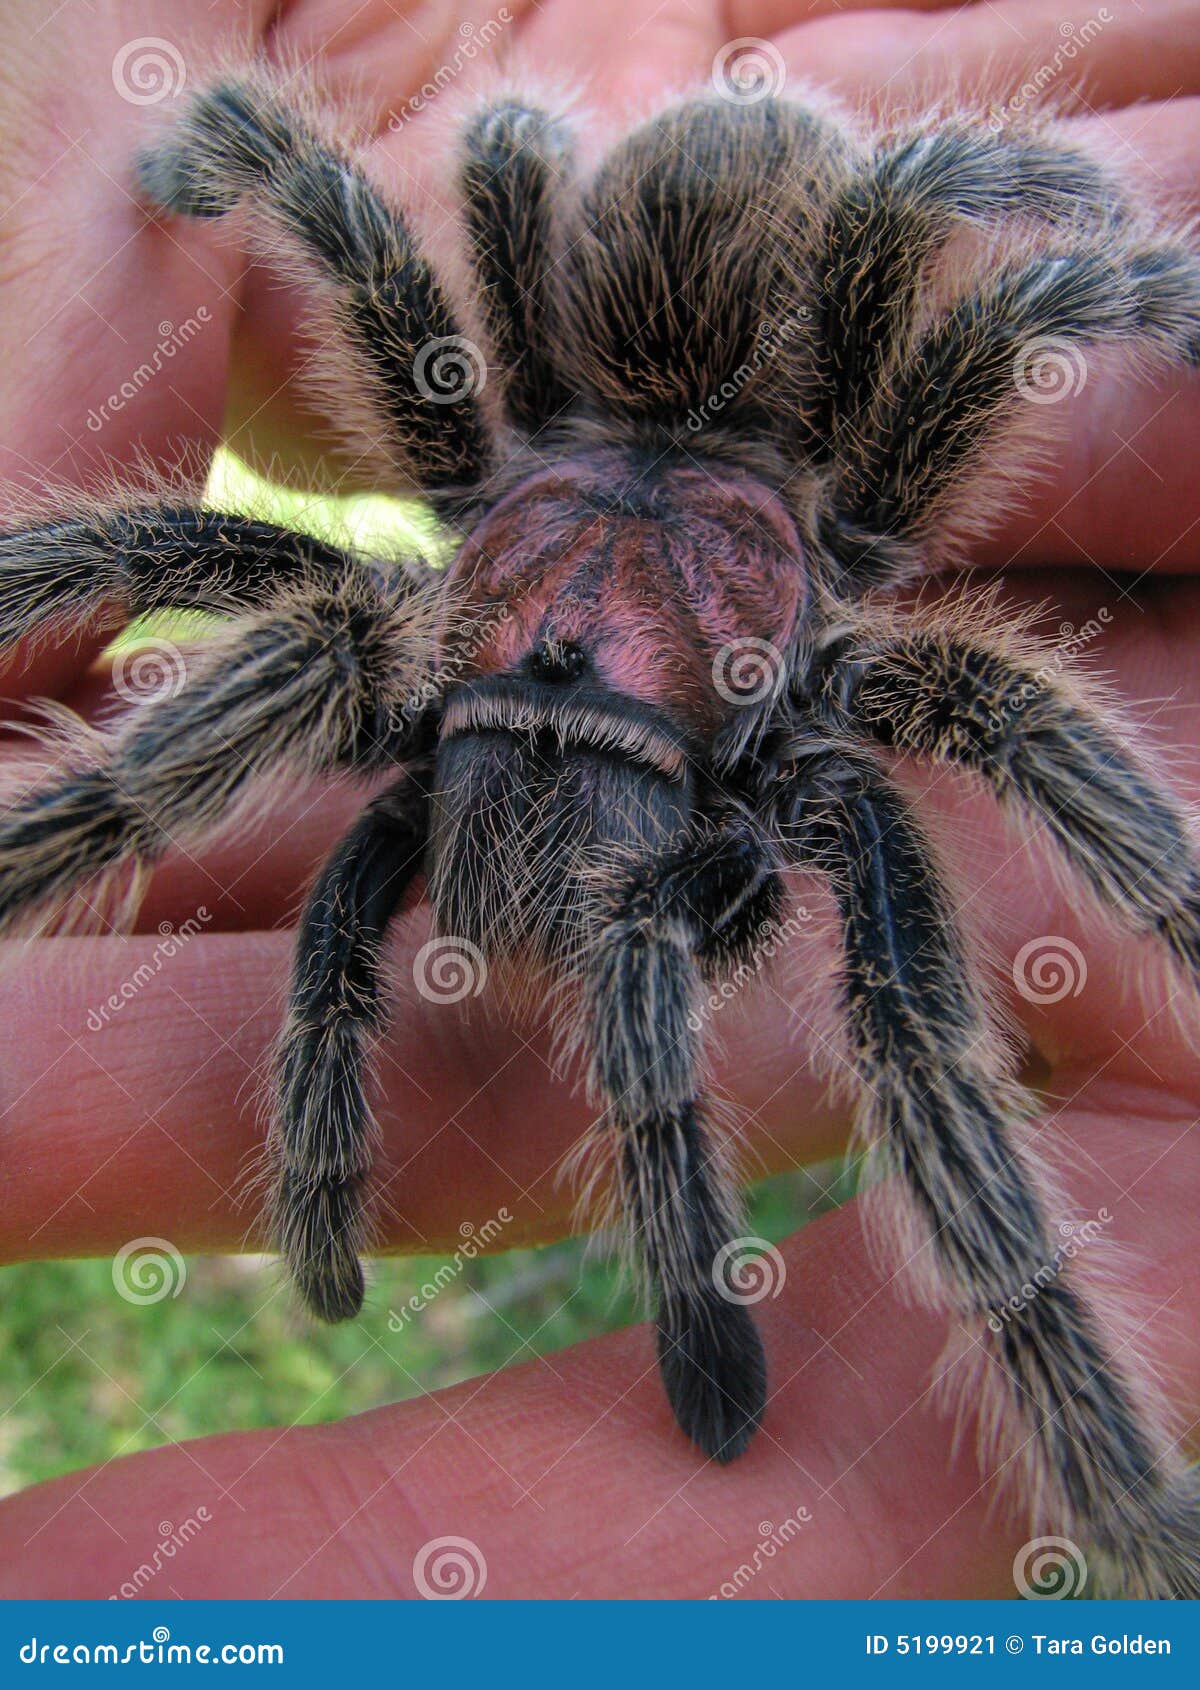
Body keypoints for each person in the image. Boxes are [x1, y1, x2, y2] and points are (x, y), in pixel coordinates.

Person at [0, 0, 1197, 1598]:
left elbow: (1031, 283)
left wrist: (1131, 279)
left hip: (751, 440)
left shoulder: (863, 610)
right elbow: (367, 199)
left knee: (925, 1044)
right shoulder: (406, 614)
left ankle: (1114, 1491)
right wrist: (238, 147)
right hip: (572, 465)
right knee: (148, 598)